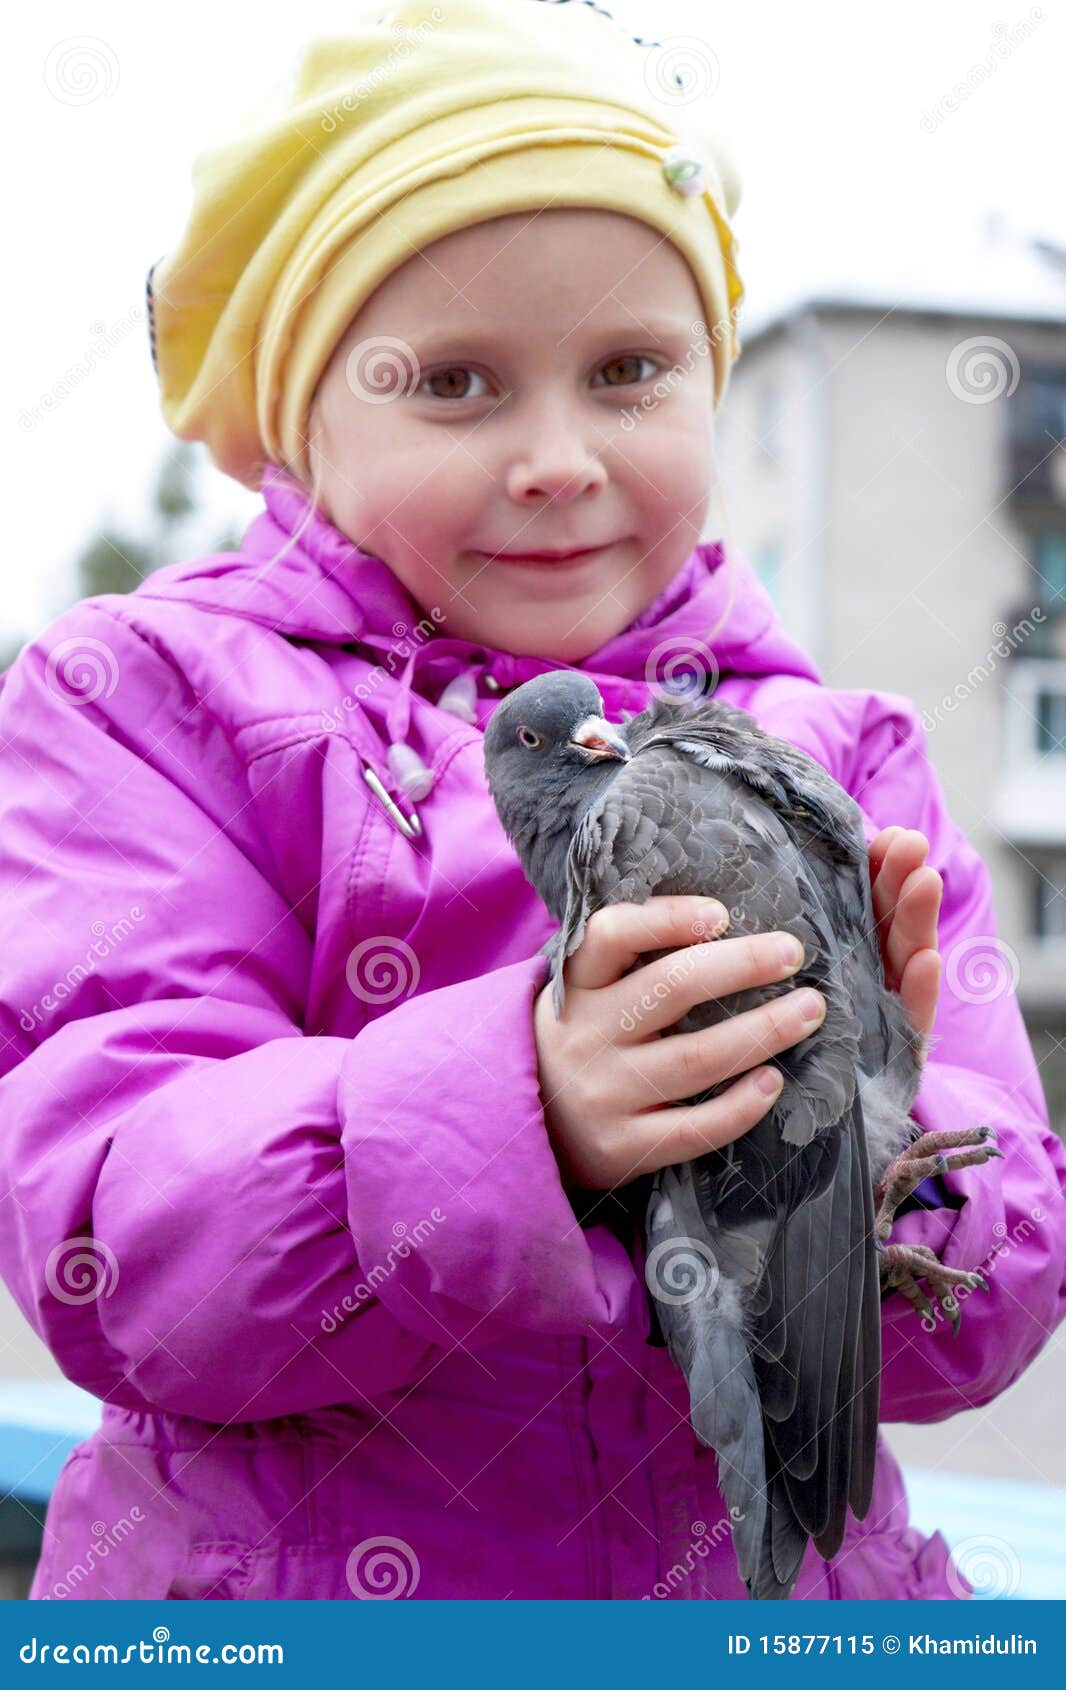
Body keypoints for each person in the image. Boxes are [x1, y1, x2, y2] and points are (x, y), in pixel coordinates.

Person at [1, 0, 1063, 1603]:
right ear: (297, 423)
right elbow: (108, 1242)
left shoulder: (833, 757)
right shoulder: (148, 708)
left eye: (628, 369)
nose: (559, 456)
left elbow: (986, 1310)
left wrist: (866, 1143)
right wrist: (522, 1112)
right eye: (455, 382)